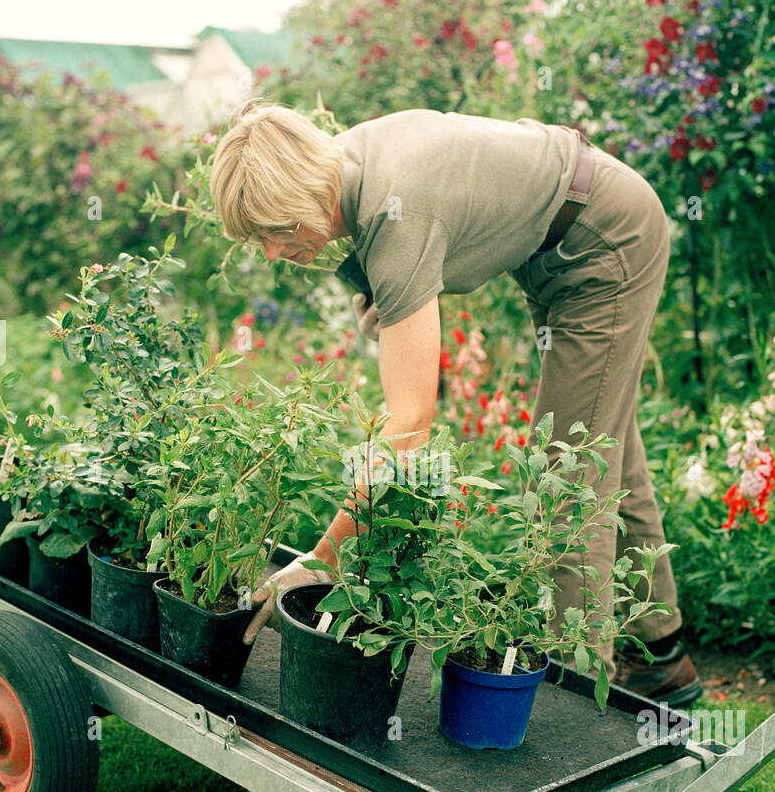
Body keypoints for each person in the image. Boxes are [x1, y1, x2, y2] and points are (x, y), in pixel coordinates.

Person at [207, 104, 702, 707]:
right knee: (604, 445)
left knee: (567, 471)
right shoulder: (346, 170)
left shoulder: (398, 209)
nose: (274, 253)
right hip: (556, 248)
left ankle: (575, 709)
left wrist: (323, 557)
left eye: (276, 231)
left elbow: (411, 424)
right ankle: (663, 659)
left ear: (304, 191)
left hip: (603, 242)